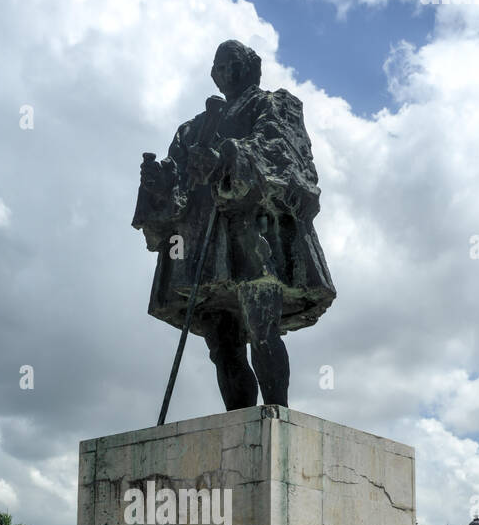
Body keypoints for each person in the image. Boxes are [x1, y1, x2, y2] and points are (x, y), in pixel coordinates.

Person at [133, 40, 335, 410]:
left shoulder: (273, 104)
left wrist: (229, 157)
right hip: (205, 244)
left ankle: (277, 413)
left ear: (247, 67)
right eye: (217, 67)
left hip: (253, 234)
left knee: (262, 326)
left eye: (229, 65)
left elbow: (283, 152)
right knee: (221, 338)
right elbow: (176, 175)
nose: (222, 73)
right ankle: (237, 420)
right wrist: (158, 180)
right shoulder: (195, 127)